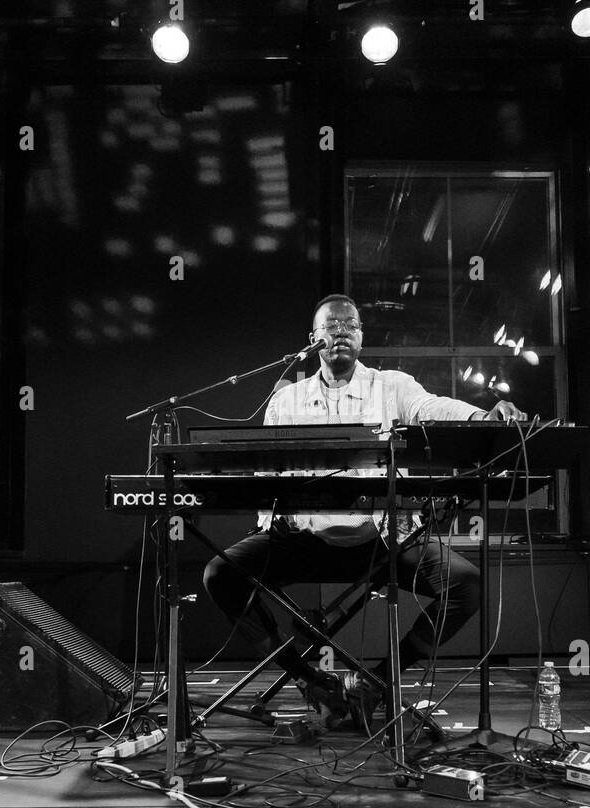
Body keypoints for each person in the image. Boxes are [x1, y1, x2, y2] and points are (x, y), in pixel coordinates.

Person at [202, 294, 526, 731]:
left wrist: (482, 417)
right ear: (313, 339)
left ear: (361, 337)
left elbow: (432, 409)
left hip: (382, 542)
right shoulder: (286, 400)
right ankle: (308, 679)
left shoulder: (392, 385)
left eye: (350, 326)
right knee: (220, 574)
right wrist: (270, 515)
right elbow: (268, 470)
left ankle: (379, 681)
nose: (341, 333)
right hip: (306, 541)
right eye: (331, 327)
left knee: (464, 583)